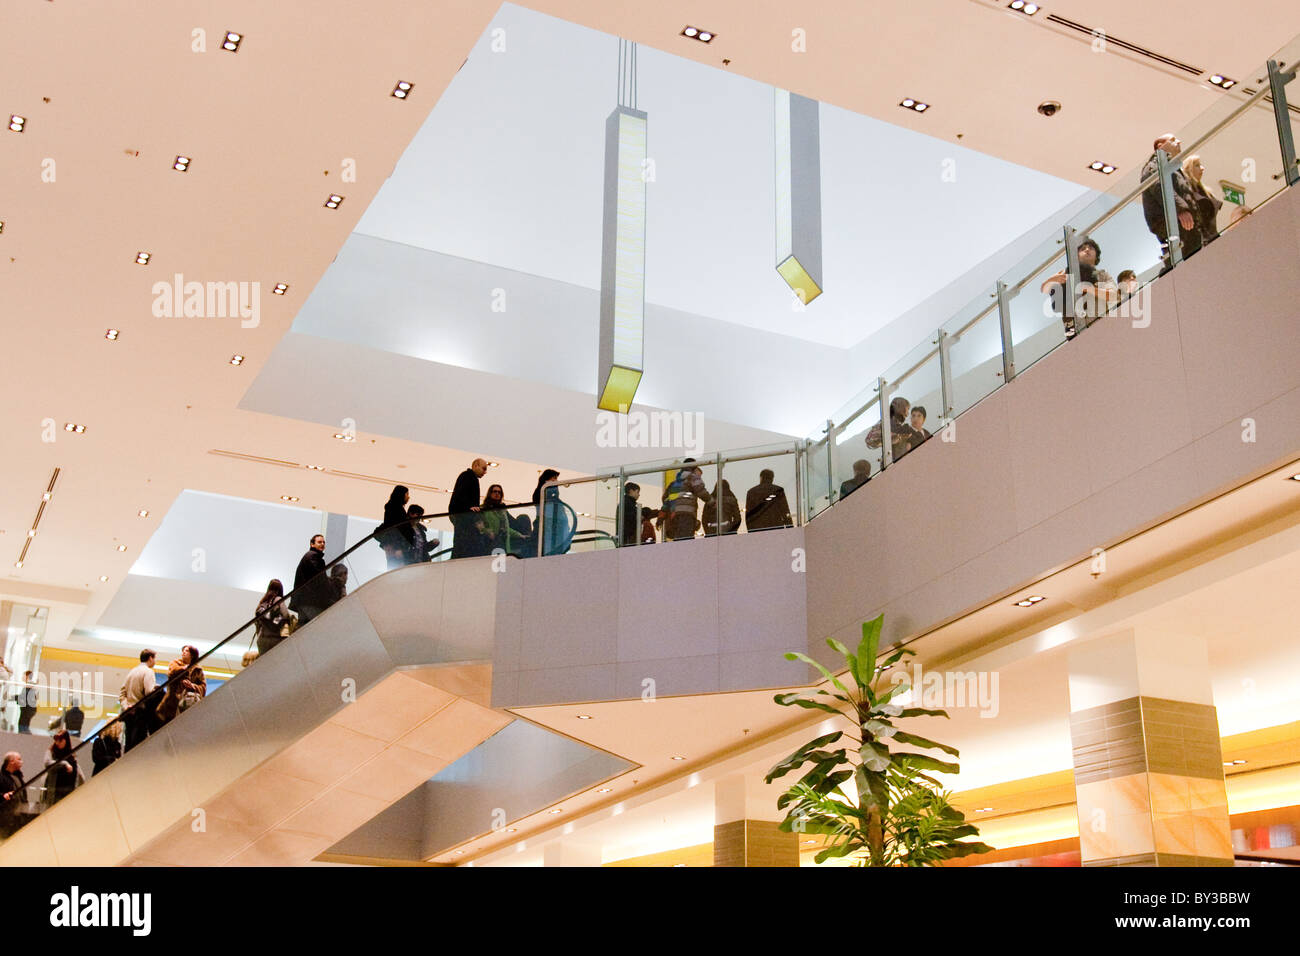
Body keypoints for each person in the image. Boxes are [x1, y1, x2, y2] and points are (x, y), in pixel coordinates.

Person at [1141, 133, 1202, 269]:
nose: (1179, 142)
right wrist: (1181, 209)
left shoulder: (1174, 168)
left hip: (1187, 227)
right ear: (1160, 146)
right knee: (1178, 262)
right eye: (1173, 140)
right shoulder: (1153, 167)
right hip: (1172, 225)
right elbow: (1159, 186)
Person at [1040, 237, 1116, 331]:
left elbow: (1114, 296)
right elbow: (1044, 289)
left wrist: (1091, 289)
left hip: (1101, 325)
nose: (1087, 250)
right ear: (1076, 255)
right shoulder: (1067, 272)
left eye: (1091, 248)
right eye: (1082, 249)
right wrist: (1052, 279)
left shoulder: (1103, 275)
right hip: (1077, 331)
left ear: (1096, 255)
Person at [449, 459, 489, 558]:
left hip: (464, 517)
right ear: (476, 466)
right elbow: (460, 495)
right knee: (464, 544)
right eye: (484, 468)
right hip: (465, 518)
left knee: (462, 544)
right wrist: (468, 508)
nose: (485, 472)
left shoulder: (468, 477)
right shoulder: (468, 476)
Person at [662, 460, 710, 542]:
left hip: (674, 516)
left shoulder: (674, 483)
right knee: (686, 541)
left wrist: (663, 515)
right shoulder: (692, 478)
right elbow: (701, 491)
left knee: (679, 540)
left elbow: (665, 499)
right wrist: (712, 501)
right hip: (687, 514)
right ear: (694, 467)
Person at [1183, 154, 1223, 248]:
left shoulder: (1205, 191)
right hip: (1202, 243)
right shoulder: (1187, 192)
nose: (1202, 168)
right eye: (1197, 165)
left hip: (1213, 239)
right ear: (1188, 169)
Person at [120, 650, 156, 752]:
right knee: (137, 745)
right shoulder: (148, 672)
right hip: (141, 712)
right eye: (154, 658)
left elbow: (122, 694)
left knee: (128, 744)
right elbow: (149, 692)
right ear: (150, 658)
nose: (155, 661)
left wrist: (126, 706)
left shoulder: (131, 672)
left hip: (129, 712)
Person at [292, 534, 330, 626]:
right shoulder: (314, 557)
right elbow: (320, 578)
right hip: (310, 601)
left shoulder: (309, 556)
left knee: (303, 629)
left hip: (303, 601)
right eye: (319, 542)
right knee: (316, 627)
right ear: (312, 544)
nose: (322, 544)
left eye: (323, 542)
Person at [478, 484, 526, 557]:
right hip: (489, 543)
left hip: (502, 543)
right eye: (495, 491)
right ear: (490, 493)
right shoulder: (483, 508)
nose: (497, 493)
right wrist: (488, 532)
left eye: (499, 492)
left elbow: (506, 528)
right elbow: (479, 525)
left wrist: (519, 535)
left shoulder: (502, 511)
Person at [865, 397, 917, 463]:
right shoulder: (884, 423)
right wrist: (896, 436)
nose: (907, 414)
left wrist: (904, 436)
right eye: (907, 409)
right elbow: (869, 441)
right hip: (891, 464)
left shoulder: (901, 427)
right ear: (900, 407)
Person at [43, 730, 84, 807]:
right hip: (55, 791)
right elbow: (47, 763)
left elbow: (78, 773)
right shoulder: (51, 752)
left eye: (60, 740)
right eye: (56, 740)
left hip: (69, 791)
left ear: (66, 740)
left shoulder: (71, 754)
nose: (57, 743)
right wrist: (64, 764)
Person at [377, 485, 415, 570]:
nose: (408, 497)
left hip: (394, 544)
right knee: (397, 569)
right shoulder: (396, 508)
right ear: (402, 495)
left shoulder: (393, 507)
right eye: (407, 494)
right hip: (395, 545)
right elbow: (396, 529)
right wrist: (398, 547)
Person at [254, 579, 292, 658]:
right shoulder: (278, 599)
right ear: (280, 590)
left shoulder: (262, 604)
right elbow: (285, 615)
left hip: (262, 639)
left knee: (265, 664)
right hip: (276, 638)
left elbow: (257, 624)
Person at [0, 752, 30, 836]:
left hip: (19, 819)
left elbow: (23, 797)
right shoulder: (1, 777)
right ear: (11, 761)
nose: (22, 762)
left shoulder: (19, 777)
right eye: (19, 759)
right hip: (7, 820)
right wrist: (3, 796)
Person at [621, 482, 641, 547]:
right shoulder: (628, 504)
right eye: (637, 492)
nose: (639, 495)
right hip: (628, 539)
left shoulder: (624, 502)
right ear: (631, 491)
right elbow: (631, 518)